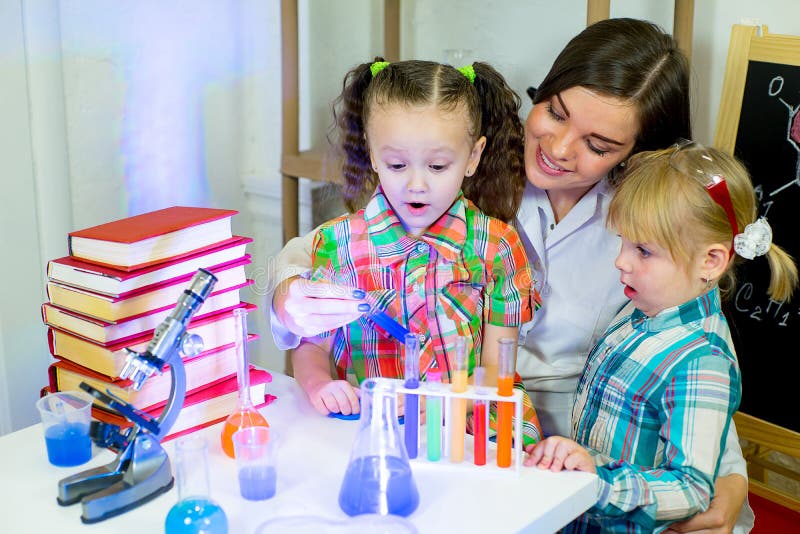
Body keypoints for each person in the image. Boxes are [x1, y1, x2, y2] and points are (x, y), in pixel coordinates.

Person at [268, 18, 752, 532]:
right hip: (450, 429)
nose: (560, 147)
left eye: (599, 144)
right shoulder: (454, 168)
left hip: (579, 459)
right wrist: (288, 294)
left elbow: (692, 357)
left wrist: (728, 478)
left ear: (637, 155)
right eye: (555, 112)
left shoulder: (646, 227)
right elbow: (317, 252)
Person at [524, 143, 798, 533]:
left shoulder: (702, 359)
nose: (621, 259)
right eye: (623, 241)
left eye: (643, 250)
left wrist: (597, 483)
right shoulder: (642, 310)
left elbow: (691, 488)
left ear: (711, 261)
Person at [290, 58, 543, 444]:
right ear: (372, 155)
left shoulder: (497, 246)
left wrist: (450, 399)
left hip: (473, 429)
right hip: (372, 430)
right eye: (396, 163)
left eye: (438, 166)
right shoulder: (339, 246)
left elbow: (498, 368)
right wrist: (320, 385)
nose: (416, 184)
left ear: (472, 157)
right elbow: (312, 344)